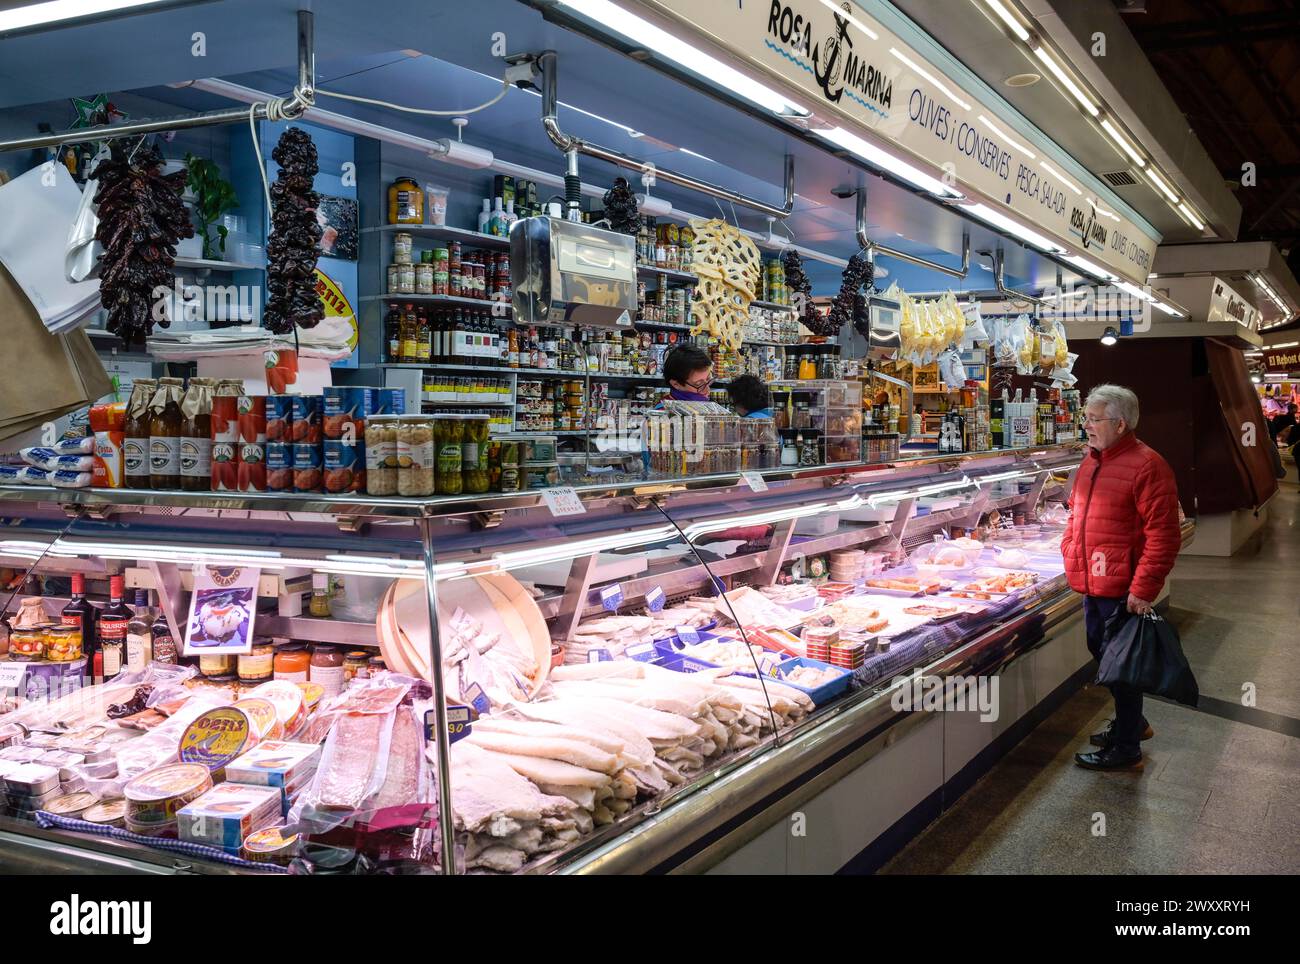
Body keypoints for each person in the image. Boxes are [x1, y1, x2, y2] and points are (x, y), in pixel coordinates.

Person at [1061, 384, 1182, 772]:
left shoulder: (1148, 465)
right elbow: (1075, 514)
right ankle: (1134, 723)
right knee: (1104, 656)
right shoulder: (1092, 460)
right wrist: (1069, 550)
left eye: (1094, 419)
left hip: (1122, 588)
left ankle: (1126, 745)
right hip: (1092, 583)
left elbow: (1163, 535)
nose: (1087, 426)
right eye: (1086, 418)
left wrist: (1144, 589)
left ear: (1120, 423)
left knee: (1122, 666)